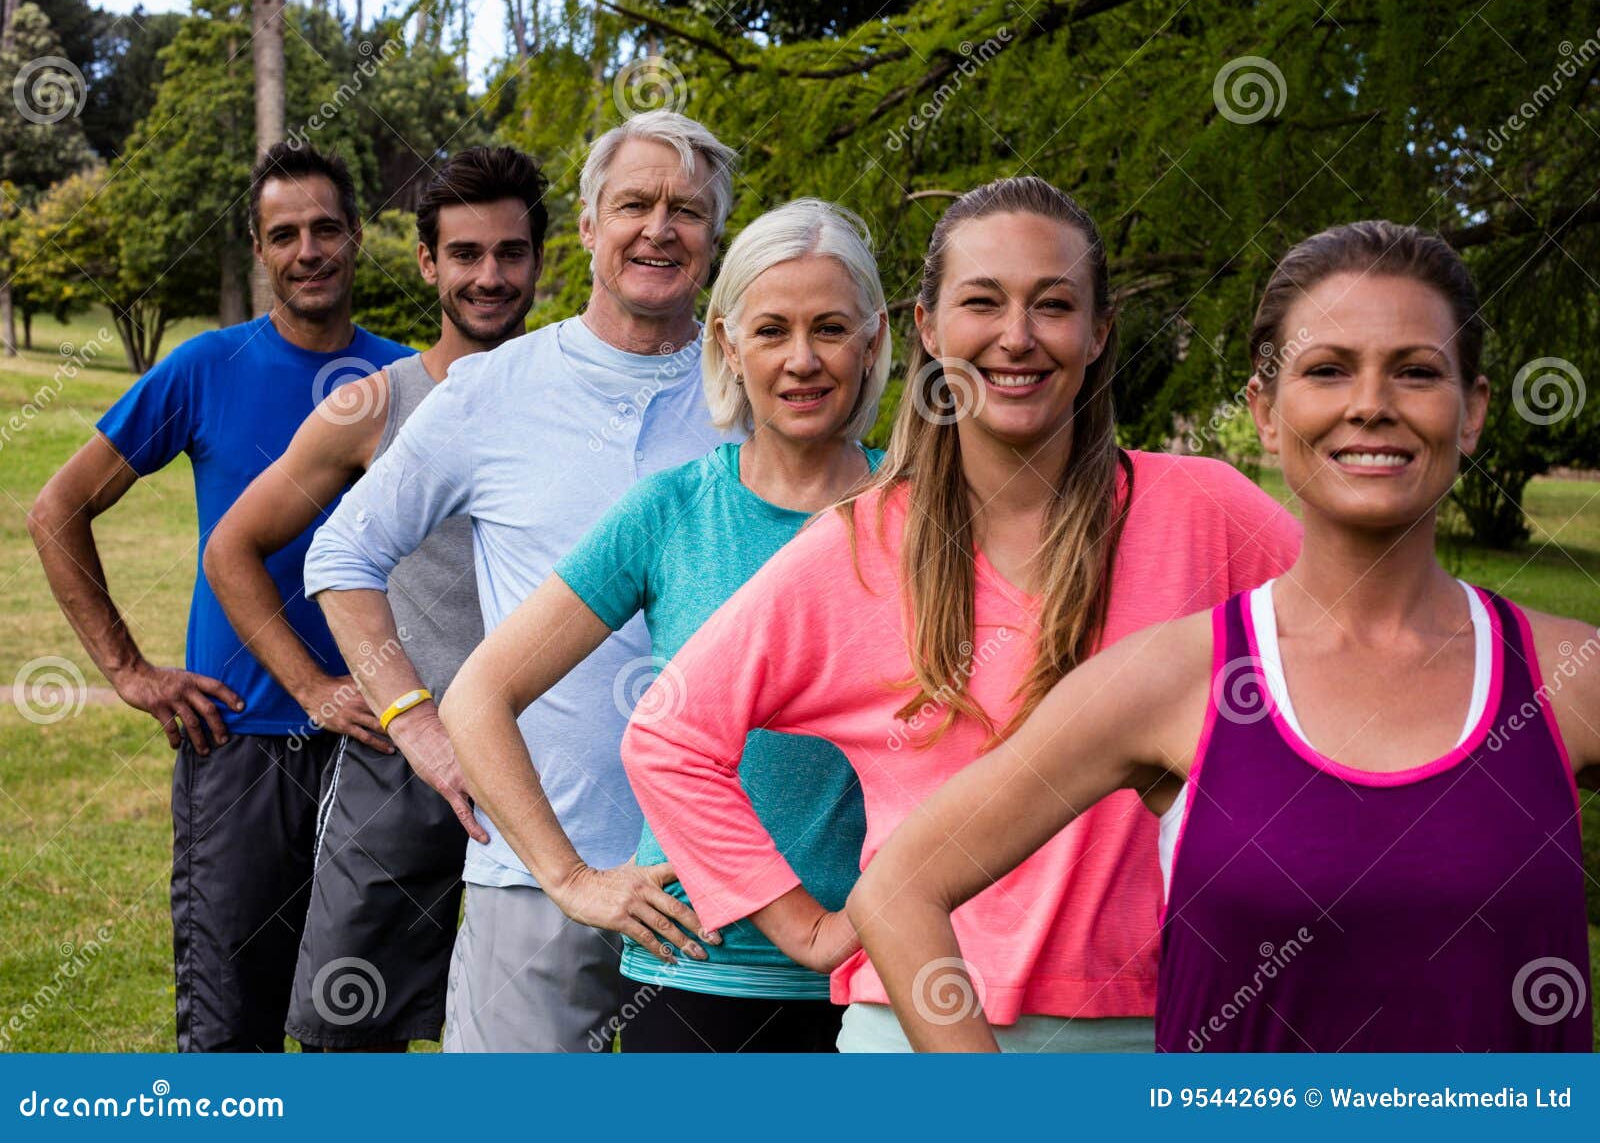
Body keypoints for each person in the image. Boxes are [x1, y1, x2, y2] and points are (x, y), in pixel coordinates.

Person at [850, 220, 1600, 1052]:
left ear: (1473, 411)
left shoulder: (1570, 677)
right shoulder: (1169, 679)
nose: (1371, 404)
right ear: (1266, 413)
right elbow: (899, 888)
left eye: (1417, 372)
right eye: (1327, 370)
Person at [620, 176, 1303, 1053]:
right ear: (929, 330)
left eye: (1053, 304)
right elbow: (669, 738)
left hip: (1159, 1020)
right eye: (983, 302)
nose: (1017, 337)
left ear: (1099, 332)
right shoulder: (859, 546)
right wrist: (812, 930)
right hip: (913, 1026)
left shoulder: (1207, 511)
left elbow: (1371, 659)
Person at [302, 110, 737, 1053]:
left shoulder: (757, 390)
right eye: (634, 204)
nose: (659, 228)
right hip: (535, 862)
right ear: (586, 227)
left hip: (723, 867)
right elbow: (341, 557)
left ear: (715, 238)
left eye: (688, 211)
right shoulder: (493, 390)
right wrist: (415, 720)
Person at [443, 199, 891, 1053]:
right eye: (771, 330)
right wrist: (571, 878)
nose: (802, 360)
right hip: (696, 976)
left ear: (871, 342)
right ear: (726, 343)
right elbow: (478, 694)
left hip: (881, 973)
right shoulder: (673, 510)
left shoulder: (919, 510)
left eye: (830, 329)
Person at [27, 144, 413, 1052]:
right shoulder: (205, 367)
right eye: (285, 234)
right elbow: (57, 511)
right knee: (228, 1027)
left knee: (355, 1034)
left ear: (358, 237)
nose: (308, 249)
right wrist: (127, 668)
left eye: (326, 228)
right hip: (239, 746)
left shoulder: (407, 383)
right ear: (258, 249)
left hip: (379, 749)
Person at [204, 147, 548, 1051]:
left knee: (536, 1035)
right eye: (464, 254)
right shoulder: (373, 406)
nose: (488, 276)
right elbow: (232, 548)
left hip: (546, 760)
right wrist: (317, 688)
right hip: (407, 763)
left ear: (541, 261)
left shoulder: (569, 397)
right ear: (428, 262)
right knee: (342, 1030)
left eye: (510, 253)